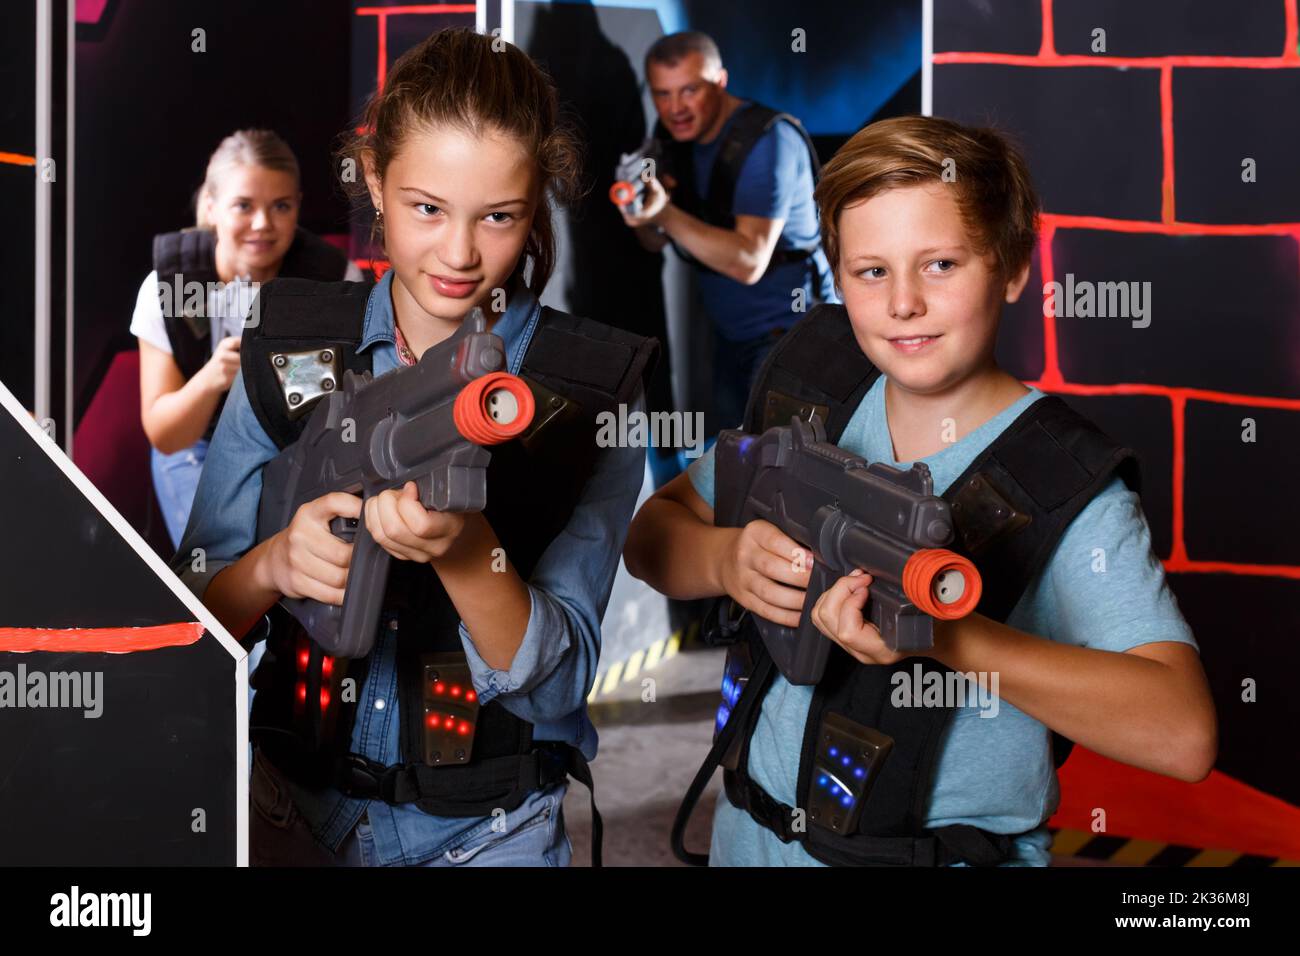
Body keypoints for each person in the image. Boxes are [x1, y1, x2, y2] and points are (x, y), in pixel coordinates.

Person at [623, 115, 1216, 866]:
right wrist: (724, 560)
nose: (903, 303)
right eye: (872, 272)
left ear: (1012, 265)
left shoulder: (1060, 480)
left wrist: (944, 634)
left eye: (940, 265)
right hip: (750, 838)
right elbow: (651, 536)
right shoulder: (815, 389)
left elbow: (1183, 733)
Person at [173, 28, 656, 866]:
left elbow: (560, 683)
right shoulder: (287, 348)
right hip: (290, 805)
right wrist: (275, 566)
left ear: (538, 201)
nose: (461, 254)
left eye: (499, 216)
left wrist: (469, 552)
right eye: (427, 208)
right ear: (372, 177)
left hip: (489, 830)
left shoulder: (588, 394)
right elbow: (191, 619)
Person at [134, 129, 362, 547]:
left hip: (293, 444)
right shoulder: (168, 284)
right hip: (197, 446)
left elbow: (347, 405)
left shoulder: (333, 277)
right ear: (211, 206)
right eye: (243, 205)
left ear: (298, 207)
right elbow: (165, 436)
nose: (263, 224)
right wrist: (212, 378)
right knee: (220, 565)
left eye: (280, 206)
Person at [619, 30, 835, 438]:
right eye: (663, 95)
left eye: (689, 91)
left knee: (781, 476)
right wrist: (643, 214)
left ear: (720, 82)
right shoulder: (673, 139)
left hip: (792, 339)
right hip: (730, 336)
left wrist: (663, 211)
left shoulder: (767, 142)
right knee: (728, 473)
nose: (675, 108)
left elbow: (747, 262)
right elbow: (656, 242)